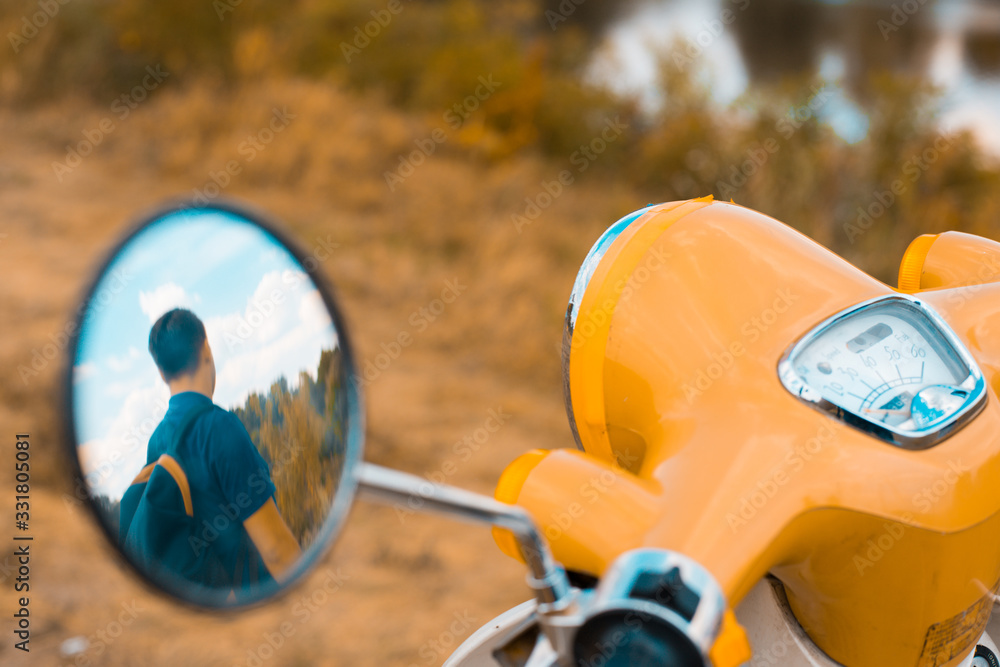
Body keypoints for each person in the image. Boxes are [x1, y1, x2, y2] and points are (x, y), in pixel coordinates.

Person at [141, 307, 301, 598]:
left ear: (162, 374)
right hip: (257, 605)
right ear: (206, 348)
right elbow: (277, 549)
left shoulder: (156, 443)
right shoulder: (219, 427)